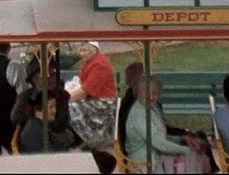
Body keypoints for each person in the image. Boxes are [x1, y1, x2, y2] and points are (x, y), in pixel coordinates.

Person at [126, 75, 212, 173]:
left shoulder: (150, 109)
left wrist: (182, 139)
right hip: (145, 162)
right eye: (146, 93)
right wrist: (188, 149)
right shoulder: (140, 114)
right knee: (192, 158)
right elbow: (160, 144)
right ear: (137, 93)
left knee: (197, 158)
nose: (151, 97)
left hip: (156, 155)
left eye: (155, 93)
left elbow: (160, 137)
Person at [68, 41, 119, 174]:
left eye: (84, 50)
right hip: (95, 100)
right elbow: (80, 80)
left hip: (104, 105)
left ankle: (83, 139)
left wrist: (64, 99)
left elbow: (85, 91)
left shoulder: (100, 64)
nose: (81, 53)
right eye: (81, 50)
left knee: (71, 108)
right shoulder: (91, 62)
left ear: (94, 50)